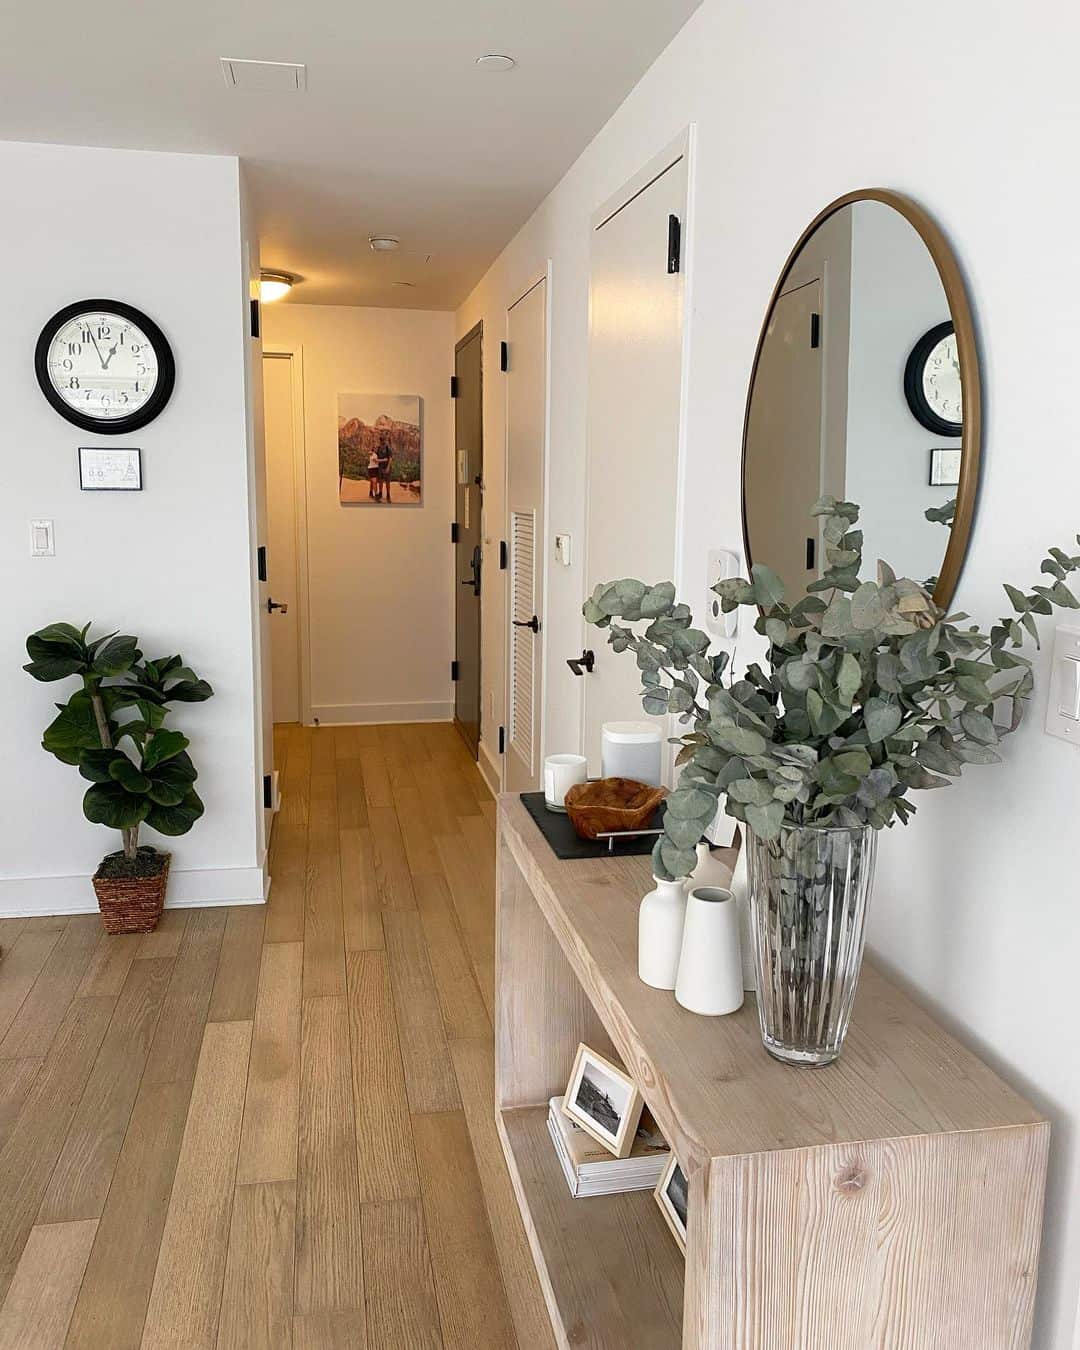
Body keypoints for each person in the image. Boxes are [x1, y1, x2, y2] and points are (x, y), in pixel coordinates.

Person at [376, 436, 393, 503]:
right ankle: (380, 494)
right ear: (380, 441)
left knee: (387, 482)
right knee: (380, 481)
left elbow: (390, 458)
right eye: (381, 440)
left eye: (383, 440)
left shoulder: (388, 448)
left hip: (386, 468)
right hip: (380, 468)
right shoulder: (379, 448)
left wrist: (388, 467)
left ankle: (388, 495)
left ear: (385, 440)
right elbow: (376, 455)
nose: (382, 441)